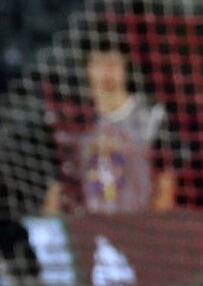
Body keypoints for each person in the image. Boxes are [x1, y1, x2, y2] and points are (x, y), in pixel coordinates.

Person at [44, 41, 182, 215]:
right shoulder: (70, 121)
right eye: (99, 63)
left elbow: (166, 180)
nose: (107, 71)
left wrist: (152, 225)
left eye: (113, 63)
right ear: (86, 69)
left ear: (126, 67)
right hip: (84, 223)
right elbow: (56, 184)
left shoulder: (152, 116)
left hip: (136, 222)